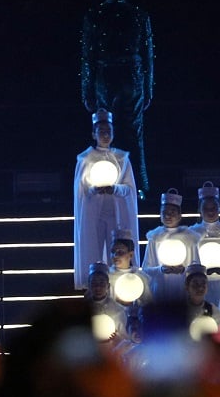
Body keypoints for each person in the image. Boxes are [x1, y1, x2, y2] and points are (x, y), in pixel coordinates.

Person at [81, 0, 153, 196]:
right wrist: (148, 87)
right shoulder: (134, 14)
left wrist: (87, 90)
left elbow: (88, 56)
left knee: (109, 132)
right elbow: (147, 55)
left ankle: (133, 185)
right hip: (126, 74)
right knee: (126, 132)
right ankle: (135, 185)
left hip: (115, 74)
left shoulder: (103, 15)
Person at [73, 109, 141, 290]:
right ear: (93, 133)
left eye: (108, 131)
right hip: (95, 216)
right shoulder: (85, 159)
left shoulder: (122, 158)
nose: (105, 135)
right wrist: (93, 189)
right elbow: (81, 192)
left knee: (117, 252)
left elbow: (129, 189)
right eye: (101, 131)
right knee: (94, 252)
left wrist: (115, 189)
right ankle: (95, 287)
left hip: (115, 215)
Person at [142, 188, 200, 302]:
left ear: (179, 215)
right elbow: (146, 270)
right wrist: (161, 270)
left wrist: (184, 270)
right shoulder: (154, 238)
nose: (168, 216)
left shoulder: (189, 238)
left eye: (172, 212)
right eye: (165, 212)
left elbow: (197, 268)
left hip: (183, 288)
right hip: (160, 288)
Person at [107, 228, 152, 307]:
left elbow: (148, 304)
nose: (115, 256)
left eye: (120, 252)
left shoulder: (141, 278)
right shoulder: (107, 277)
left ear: (130, 254)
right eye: (113, 251)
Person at [86, 261, 127, 343]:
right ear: (89, 286)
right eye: (94, 284)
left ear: (108, 286)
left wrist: (117, 338)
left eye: (102, 283)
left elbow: (123, 336)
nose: (98, 288)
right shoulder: (82, 308)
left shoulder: (118, 310)